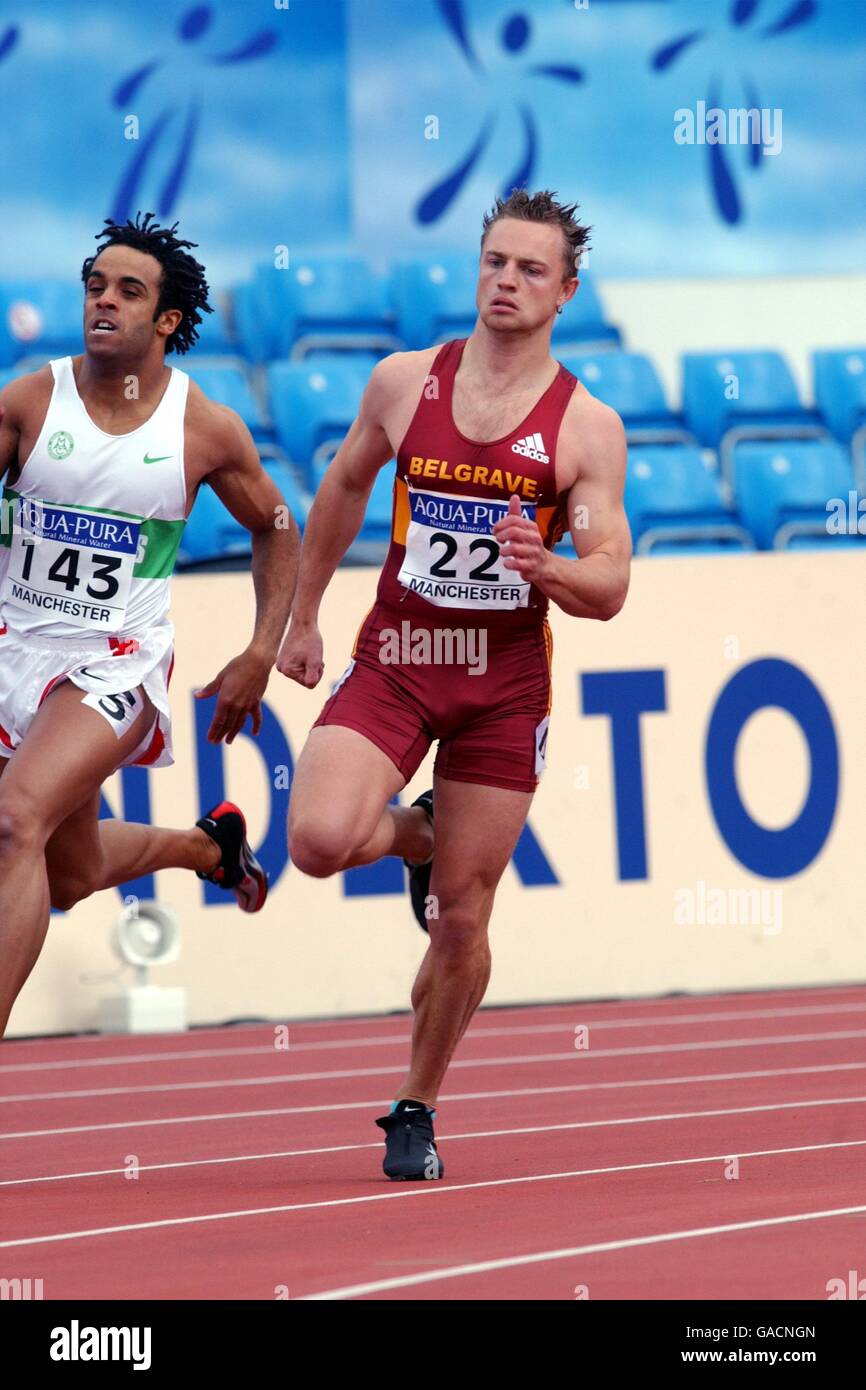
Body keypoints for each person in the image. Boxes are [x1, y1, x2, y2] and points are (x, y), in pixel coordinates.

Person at [278, 189, 631, 1180]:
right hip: (398, 655)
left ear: (565, 290)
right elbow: (346, 484)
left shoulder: (584, 429)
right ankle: (419, 832)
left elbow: (609, 583)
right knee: (315, 839)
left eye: (530, 269)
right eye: (494, 262)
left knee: (462, 915)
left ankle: (415, 1104)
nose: (506, 281)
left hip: (502, 684)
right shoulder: (404, 382)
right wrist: (302, 617)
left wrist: (549, 567)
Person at [0, 212, 299, 1036]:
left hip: (113, 664)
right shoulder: (30, 401)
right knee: (67, 872)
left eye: (129, 292)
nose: (105, 302)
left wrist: (262, 650)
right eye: (96, 286)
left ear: (167, 321)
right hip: (13, 649)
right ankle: (209, 848)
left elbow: (276, 528)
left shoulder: (201, 428)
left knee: (13, 819)